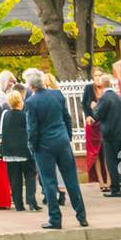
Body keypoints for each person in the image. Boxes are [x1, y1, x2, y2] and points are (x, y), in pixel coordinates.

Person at [23, 68, 87, 230]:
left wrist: (32, 147)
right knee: (71, 179)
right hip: (62, 141)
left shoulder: (31, 102)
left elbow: (32, 128)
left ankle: (55, 218)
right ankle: (82, 216)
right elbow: (67, 117)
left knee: (49, 182)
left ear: (31, 86)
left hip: (44, 146)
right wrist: (67, 137)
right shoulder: (57, 95)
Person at [0, 89, 38, 212]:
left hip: (9, 152)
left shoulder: (5, 115)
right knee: (30, 176)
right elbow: (30, 132)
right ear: (20, 102)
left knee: (15, 179)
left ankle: (18, 204)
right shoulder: (24, 115)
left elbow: (2, 132)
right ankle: (31, 202)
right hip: (24, 151)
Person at [92, 78, 121, 197]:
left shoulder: (104, 98)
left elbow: (98, 115)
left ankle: (115, 188)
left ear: (101, 85)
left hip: (110, 134)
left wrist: (94, 107)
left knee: (111, 161)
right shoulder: (119, 97)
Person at [82, 69, 109, 190]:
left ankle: (109, 180)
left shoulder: (107, 89)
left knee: (107, 152)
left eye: (100, 75)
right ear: (93, 77)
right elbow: (84, 104)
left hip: (104, 124)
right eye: (96, 75)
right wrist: (88, 115)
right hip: (92, 124)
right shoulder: (88, 88)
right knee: (96, 154)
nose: (98, 78)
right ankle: (101, 181)